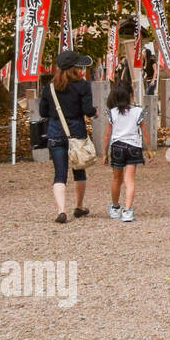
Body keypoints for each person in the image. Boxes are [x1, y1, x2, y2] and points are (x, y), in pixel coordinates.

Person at [39, 49, 97, 224]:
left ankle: (61, 210)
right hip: (76, 132)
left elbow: (43, 112)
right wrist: (94, 112)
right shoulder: (83, 86)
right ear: (75, 67)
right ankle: (79, 206)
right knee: (79, 169)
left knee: (60, 173)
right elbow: (88, 110)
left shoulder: (49, 88)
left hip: (55, 132)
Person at [105, 80, 148, 223]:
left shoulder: (112, 113)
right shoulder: (137, 111)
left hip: (117, 146)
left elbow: (107, 135)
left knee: (116, 179)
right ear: (130, 95)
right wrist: (149, 150)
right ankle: (128, 211)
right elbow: (144, 132)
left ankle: (115, 207)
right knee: (129, 180)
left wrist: (104, 153)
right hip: (134, 147)